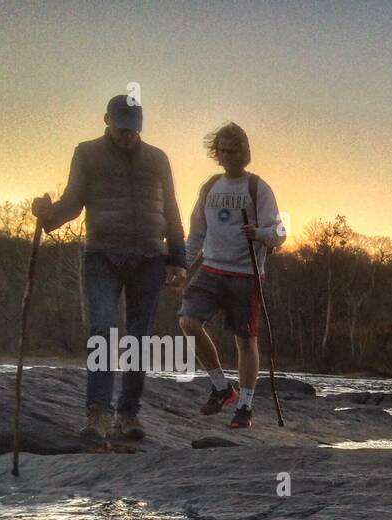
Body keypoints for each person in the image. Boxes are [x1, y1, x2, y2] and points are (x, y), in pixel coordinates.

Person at [32, 93, 187, 442]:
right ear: (106, 121)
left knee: (139, 338)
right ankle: (98, 412)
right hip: (103, 255)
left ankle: (128, 414)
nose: (127, 135)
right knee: (103, 328)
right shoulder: (86, 153)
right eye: (121, 128)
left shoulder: (158, 159)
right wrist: (48, 215)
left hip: (150, 256)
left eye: (133, 129)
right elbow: (73, 201)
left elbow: (171, 210)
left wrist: (178, 258)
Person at [178, 123, 285, 430]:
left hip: (245, 274)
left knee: (245, 339)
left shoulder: (258, 188)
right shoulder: (210, 186)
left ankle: (245, 405)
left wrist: (260, 233)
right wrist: (182, 267)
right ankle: (222, 388)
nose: (227, 156)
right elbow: (196, 233)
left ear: (245, 152)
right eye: (222, 151)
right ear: (217, 154)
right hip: (210, 269)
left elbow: (279, 233)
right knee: (188, 321)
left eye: (233, 150)